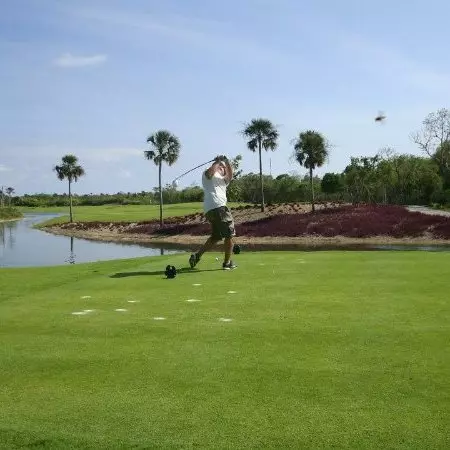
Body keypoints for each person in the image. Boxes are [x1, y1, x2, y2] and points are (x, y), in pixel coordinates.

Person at [189, 155, 237, 270]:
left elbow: (230, 176)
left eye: (224, 168)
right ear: (217, 167)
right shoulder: (208, 174)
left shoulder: (223, 180)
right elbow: (210, 173)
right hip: (218, 207)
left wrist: (226, 162)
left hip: (211, 210)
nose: (223, 169)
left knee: (216, 237)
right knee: (230, 235)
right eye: (222, 168)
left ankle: (197, 256)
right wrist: (218, 162)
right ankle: (227, 263)